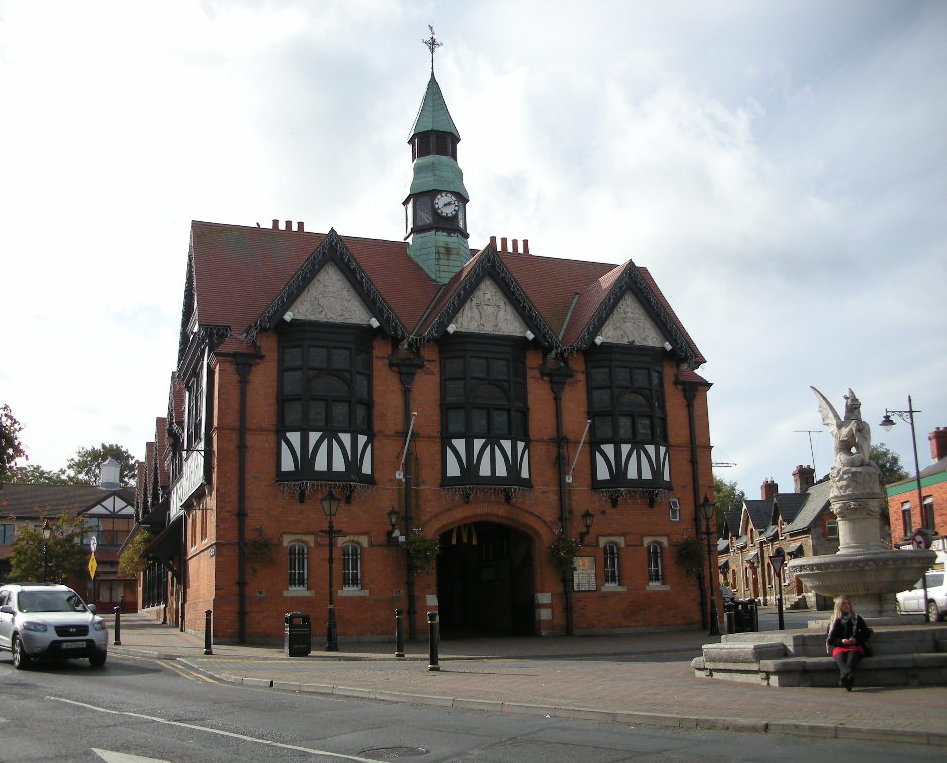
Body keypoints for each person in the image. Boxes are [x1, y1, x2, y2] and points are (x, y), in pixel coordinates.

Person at [826, 595, 871, 691]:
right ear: (838, 606)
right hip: (840, 647)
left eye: (848, 603)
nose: (847, 605)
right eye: (843, 604)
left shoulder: (857, 618)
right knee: (841, 662)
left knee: (850, 662)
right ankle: (847, 678)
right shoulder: (834, 621)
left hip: (855, 646)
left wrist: (855, 639)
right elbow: (831, 639)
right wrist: (841, 641)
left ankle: (844, 680)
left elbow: (866, 633)